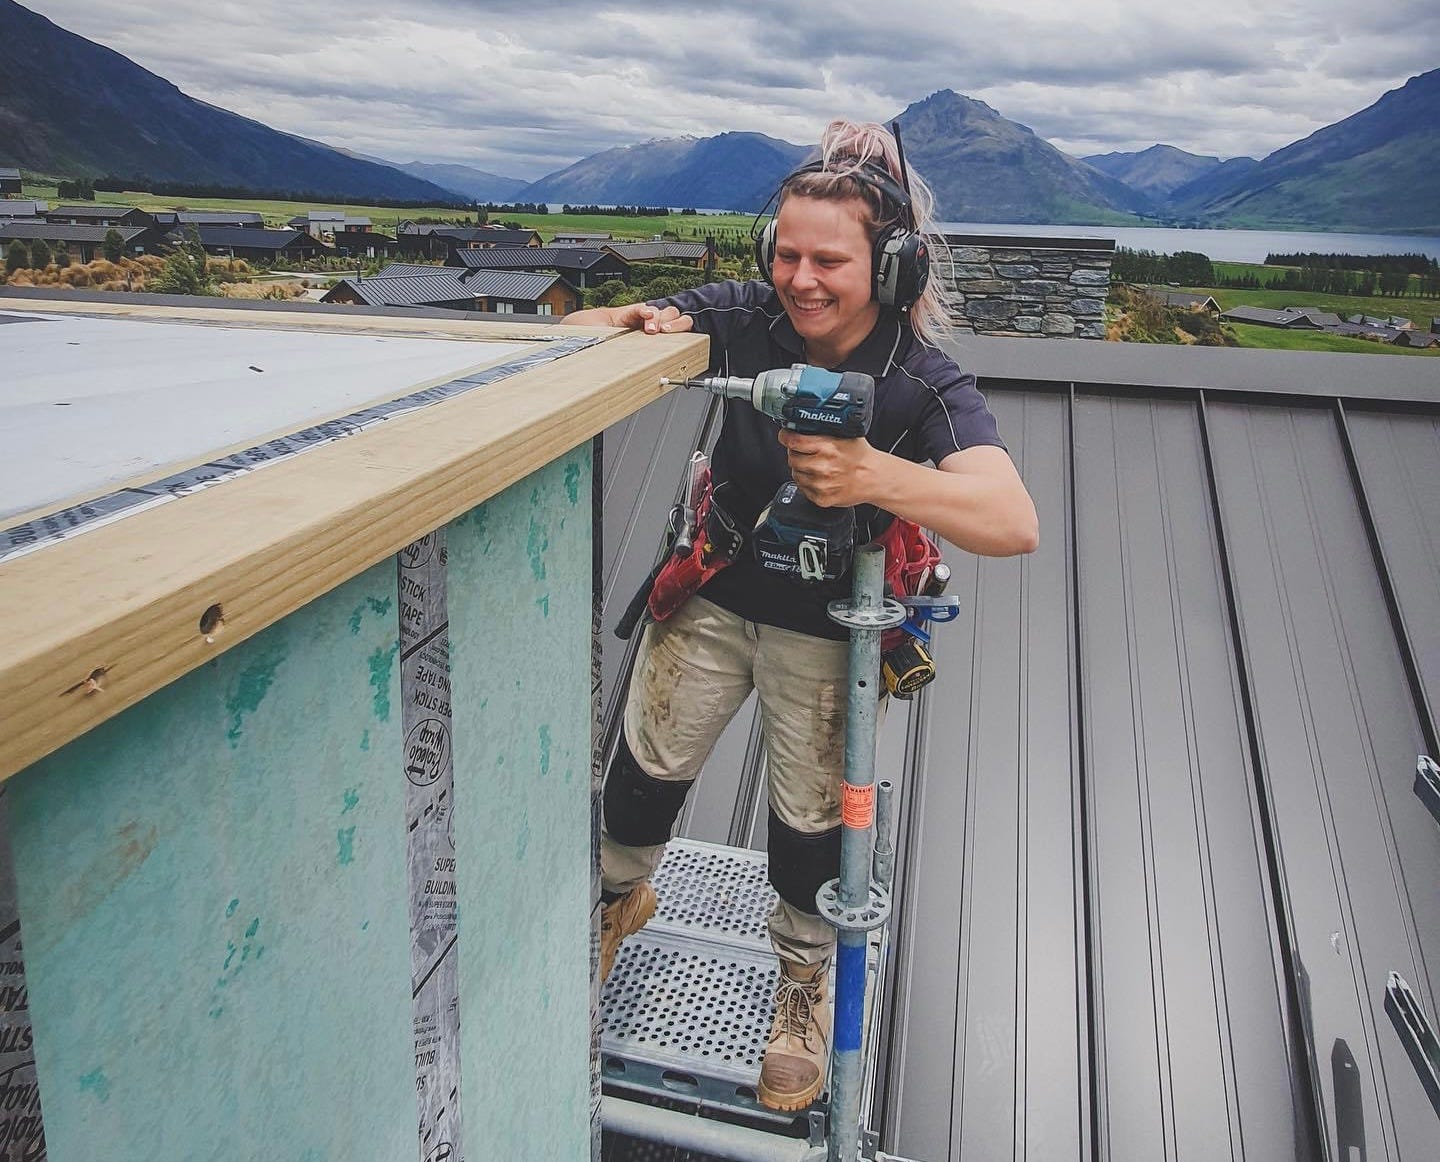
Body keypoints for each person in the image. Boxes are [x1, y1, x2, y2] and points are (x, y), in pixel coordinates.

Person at [567, 119, 1038, 1112]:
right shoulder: (743, 318)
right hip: (716, 591)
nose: (800, 277)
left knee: (810, 827)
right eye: (785, 252)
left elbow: (1011, 517)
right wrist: (625, 323)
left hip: (829, 626)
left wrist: (875, 472)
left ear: (894, 266)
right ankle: (614, 906)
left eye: (829, 258)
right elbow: (628, 324)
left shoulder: (921, 382)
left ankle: (801, 991)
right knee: (641, 776)